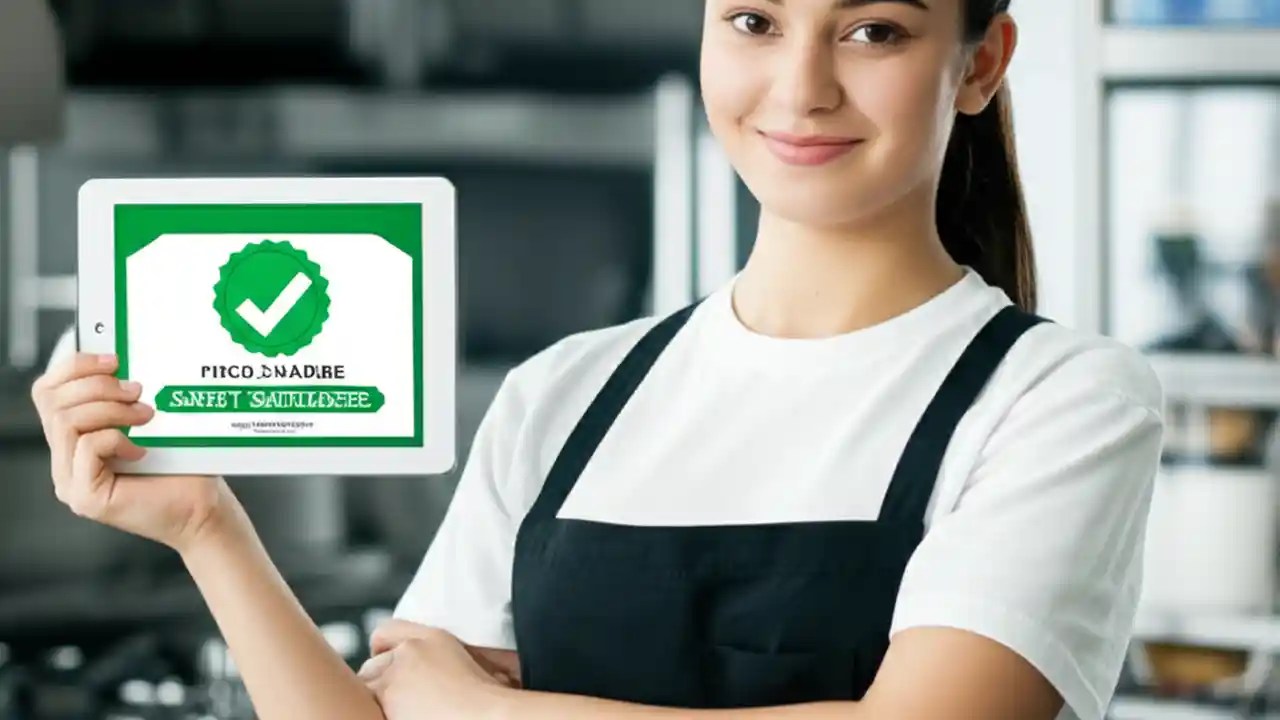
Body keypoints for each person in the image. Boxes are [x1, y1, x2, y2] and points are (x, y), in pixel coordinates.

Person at [29, 1, 1164, 719]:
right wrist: (205, 526)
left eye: (873, 30)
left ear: (978, 63)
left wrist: (482, 715)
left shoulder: (1055, 399)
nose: (802, 85)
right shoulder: (566, 390)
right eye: (754, 22)